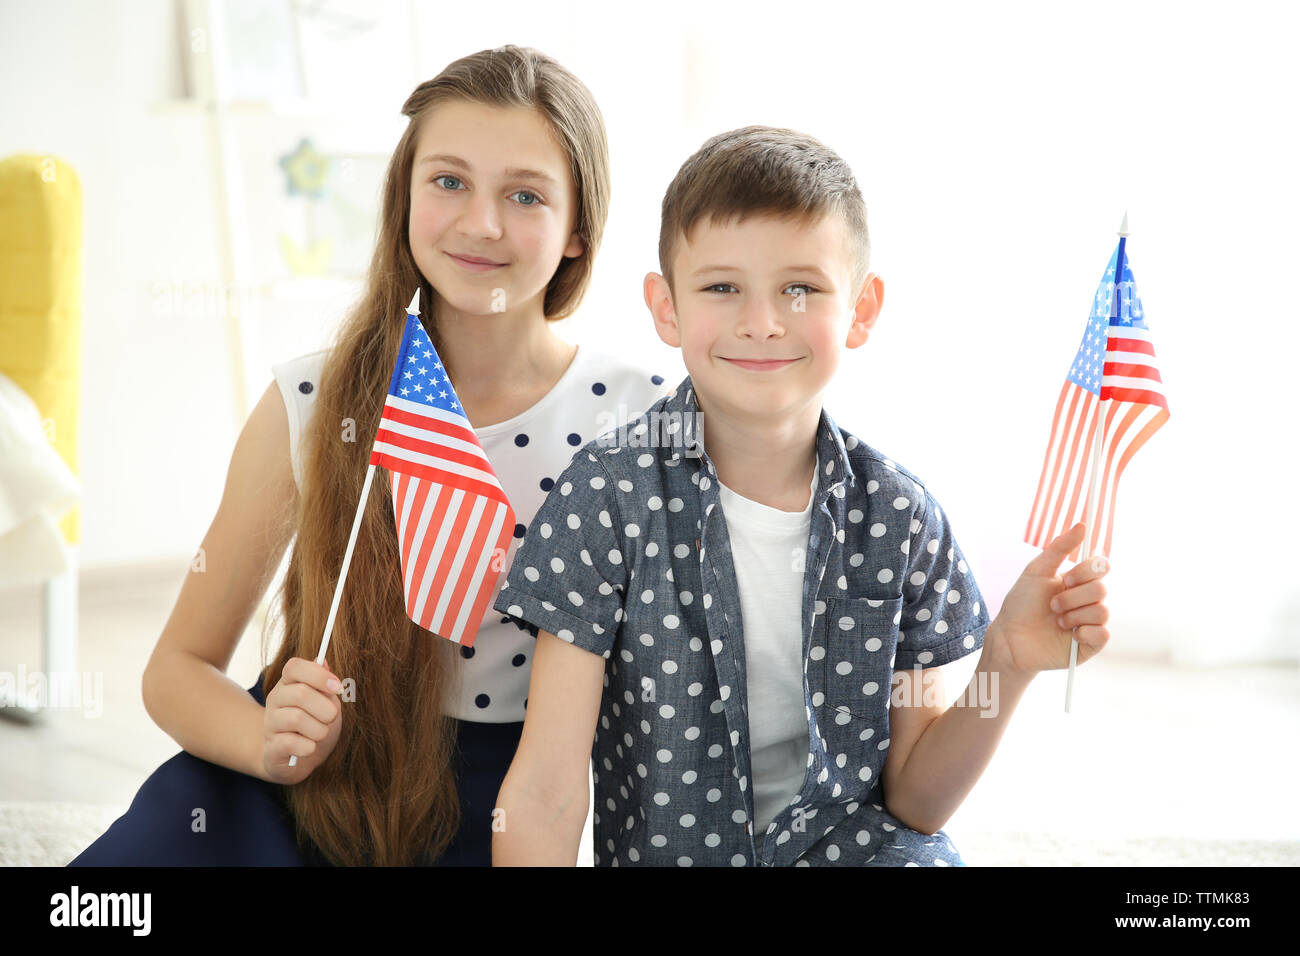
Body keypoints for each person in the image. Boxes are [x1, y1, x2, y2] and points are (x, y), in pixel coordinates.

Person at [70, 45, 672, 867]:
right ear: (403, 199)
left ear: (578, 231)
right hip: (302, 782)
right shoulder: (314, 402)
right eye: (448, 181)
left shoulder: (642, 414)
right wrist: (263, 739)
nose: (480, 222)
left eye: (525, 194)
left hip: (502, 799)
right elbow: (175, 669)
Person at [491, 125, 1113, 866]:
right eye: (722, 287)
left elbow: (918, 801)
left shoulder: (900, 517)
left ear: (862, 308)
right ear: (667, 308)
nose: (761, 322)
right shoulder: (608, 495)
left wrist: (1006, 664)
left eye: (801, 288)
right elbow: (548, 790)